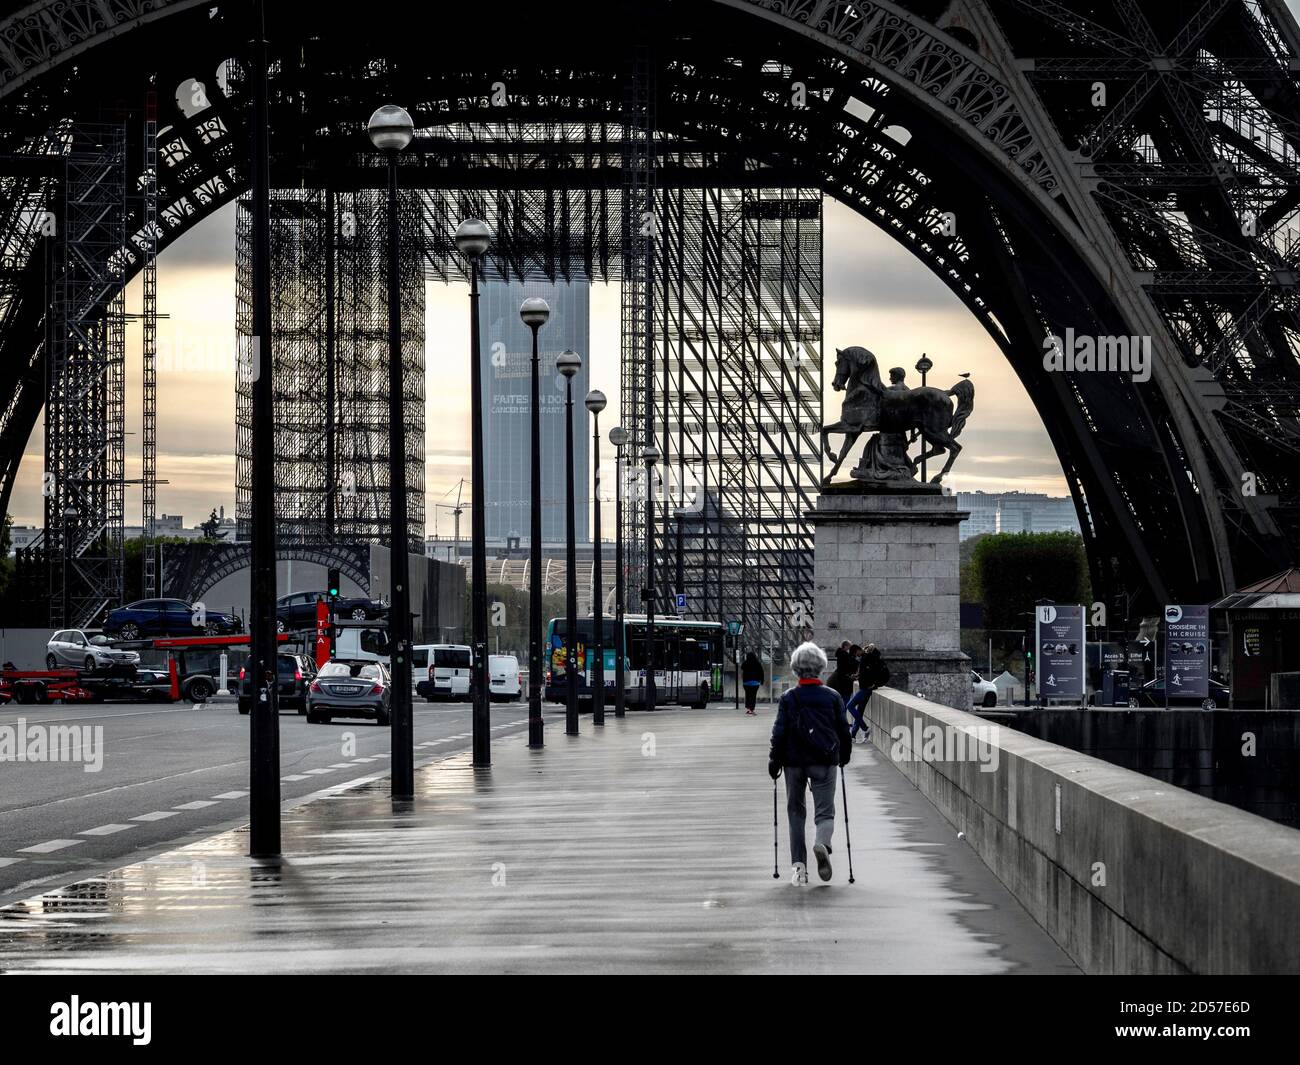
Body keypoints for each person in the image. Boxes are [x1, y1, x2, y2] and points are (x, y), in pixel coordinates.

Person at [768, 642, 852, 885]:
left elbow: (779, 732)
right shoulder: (833, 696)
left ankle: (799, 868)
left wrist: (774, 759)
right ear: (821, 667)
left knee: (796, 812)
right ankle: (822, 843)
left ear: (796, 668)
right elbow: (843, 729)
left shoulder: (788, 698)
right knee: (825, 811)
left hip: (793, 762)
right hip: (824, 760)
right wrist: (844, 754)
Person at [845, 643, 889, 741]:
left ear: (857, 650)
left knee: (850, 706)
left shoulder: (868, 657)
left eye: (856, 654)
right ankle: (853, 736)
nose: (856, 656)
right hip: (864, 687)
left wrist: (875, 684)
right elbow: (866, 672)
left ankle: (865, 728)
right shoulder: (865, 658)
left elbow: (875, 671)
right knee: (859, 712)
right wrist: (857, 676)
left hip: (866, 689)